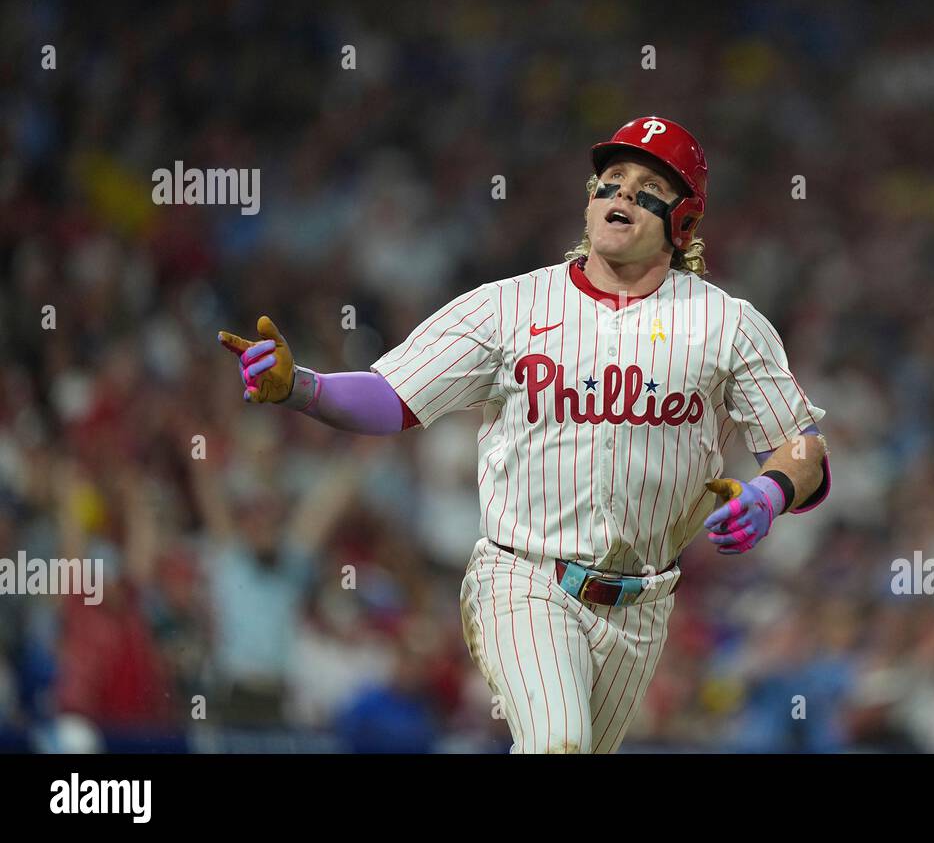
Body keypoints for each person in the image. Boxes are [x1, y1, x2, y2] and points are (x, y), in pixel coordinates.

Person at [219, 116, 831, 752]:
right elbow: (393, 397)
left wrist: (771, 493)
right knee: (555, 745)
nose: (621, 194)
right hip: (524, 577)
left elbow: (803, 447)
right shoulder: (509, 306)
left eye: (648, 186)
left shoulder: (728, 325)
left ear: (685, 222)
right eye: (611, 180)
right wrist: (304, 388)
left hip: (642, 603)